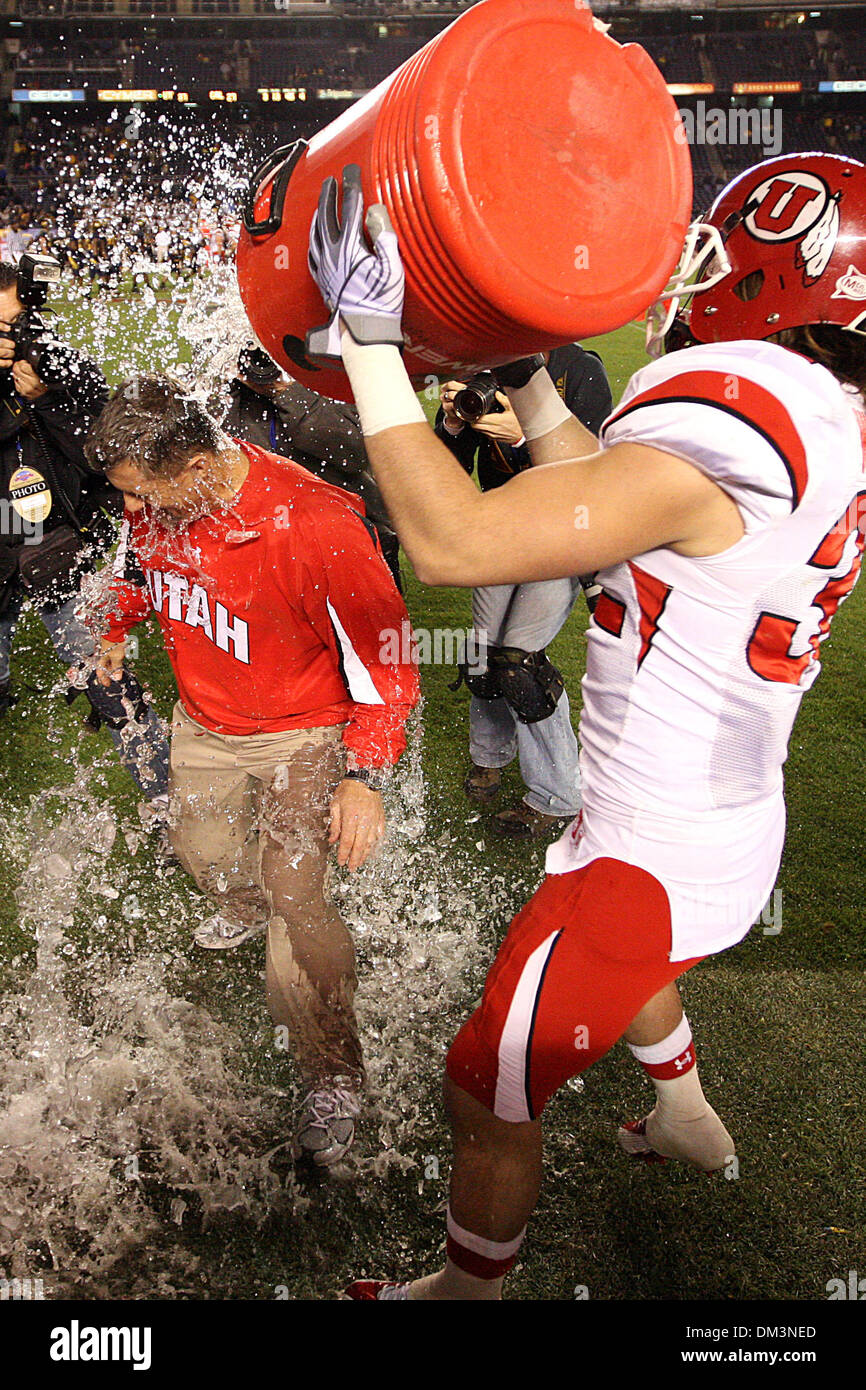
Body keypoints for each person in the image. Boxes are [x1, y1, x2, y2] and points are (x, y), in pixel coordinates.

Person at [302, 155, 866, 1294]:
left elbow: (455, 542)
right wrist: (532, 380)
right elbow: (625, 501)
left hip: (651, 847)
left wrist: (367, 352)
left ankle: (467, 1292)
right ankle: (686, 1113)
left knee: (485, 1081)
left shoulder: (754, 404)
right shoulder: (829, 419)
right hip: (720, 818)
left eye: (720, 253)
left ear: (783, 280)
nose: (694, 273)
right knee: (641, 966)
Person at [85, 375, 419, 1168]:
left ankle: (332, 1074)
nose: (137, 510)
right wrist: (118, 625)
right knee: (202, 855)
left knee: (296, 892)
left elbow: (389, 657)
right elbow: (142, 565)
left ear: (197, 469)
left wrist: (364, 773)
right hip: (204, 720)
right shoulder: (161, 497)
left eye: (144, 495)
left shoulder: (316, 522)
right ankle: (245, 901)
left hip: (301, 731)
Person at [0, 255, 168, 802]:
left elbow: (99, 453)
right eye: (3, 329)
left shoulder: (56, 367)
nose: (13, 337)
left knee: (107, 675)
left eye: (18, 323)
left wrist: (43, 398)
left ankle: (167, 800)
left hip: (50, 547)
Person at [435, 348, 611, 836]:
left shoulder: (580, 368)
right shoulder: (478, 367)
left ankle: (556, 795)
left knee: (519, 663)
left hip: (560, 530)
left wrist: (523, 437)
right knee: (482, 654)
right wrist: (451, 426)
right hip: (498, 523)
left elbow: (597, 469)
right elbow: (445, 472)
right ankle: (488, 756)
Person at [219, 342, 402, 589]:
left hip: (346, 545)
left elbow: (351, 452)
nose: (263, 365)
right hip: (260, 553)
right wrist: (227, 380)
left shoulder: (332, 366)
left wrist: (285, 390)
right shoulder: (219, 389)